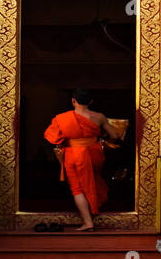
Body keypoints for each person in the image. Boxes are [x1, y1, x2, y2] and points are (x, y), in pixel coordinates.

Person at [43, 88, 123, 232]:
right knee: (93, 178)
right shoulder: (99, 117)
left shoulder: (62, 118)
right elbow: (114, 136)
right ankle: (94, 209)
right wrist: (100, 136)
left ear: (73, 101)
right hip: (94, 153)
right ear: (91, 101)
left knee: (77, 188)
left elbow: (53, 138)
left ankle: (88, 222)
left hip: (73, 154)